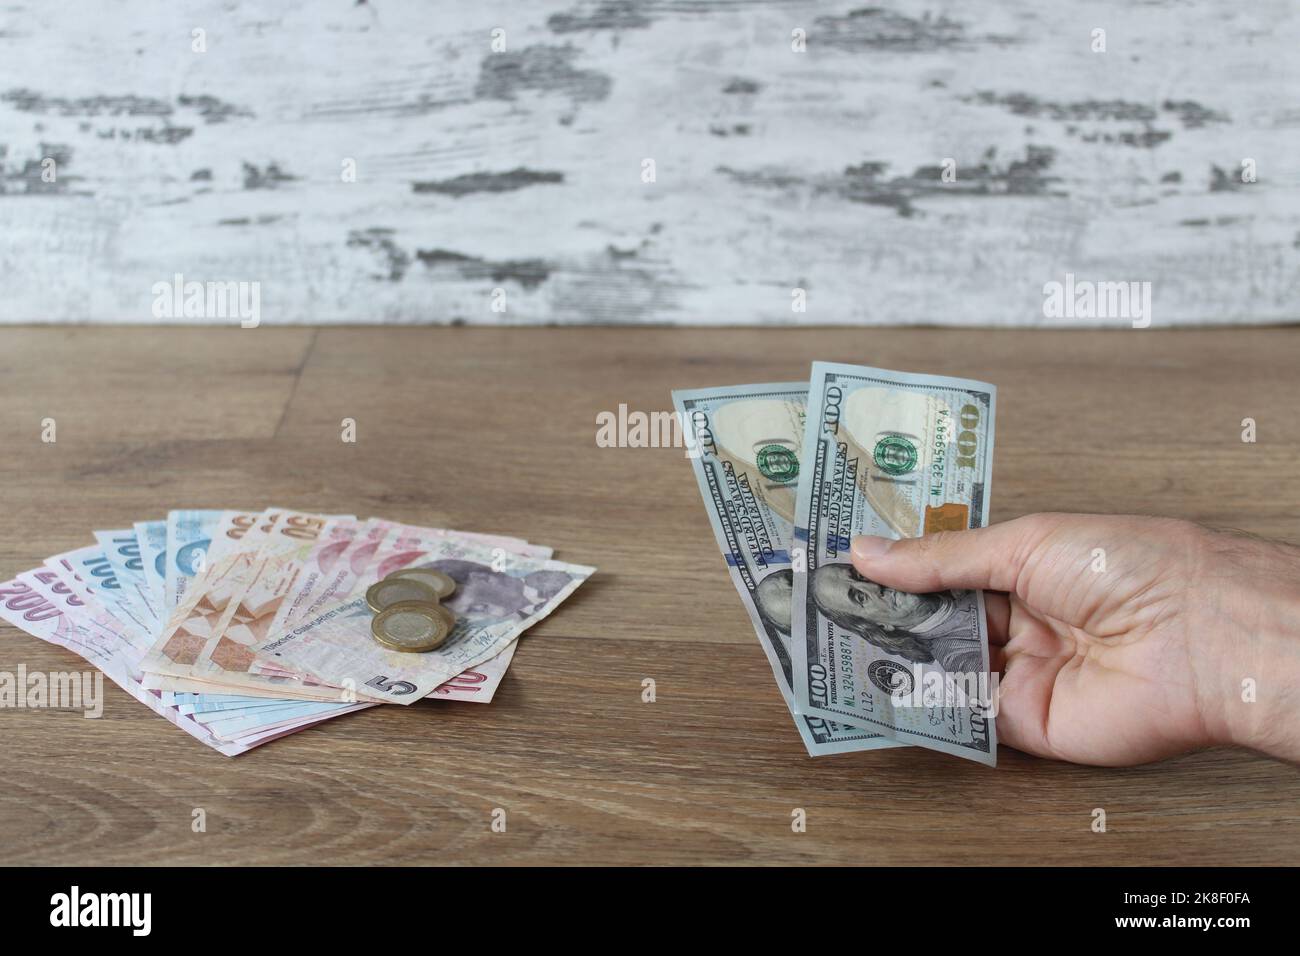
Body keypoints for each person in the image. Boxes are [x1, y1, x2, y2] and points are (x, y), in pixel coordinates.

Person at [849, 513, 1300, 767]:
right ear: (872, 626)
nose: (872, 587)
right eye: (855, 596)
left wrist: (1191, 604)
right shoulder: (940, 664)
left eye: (858, 580)